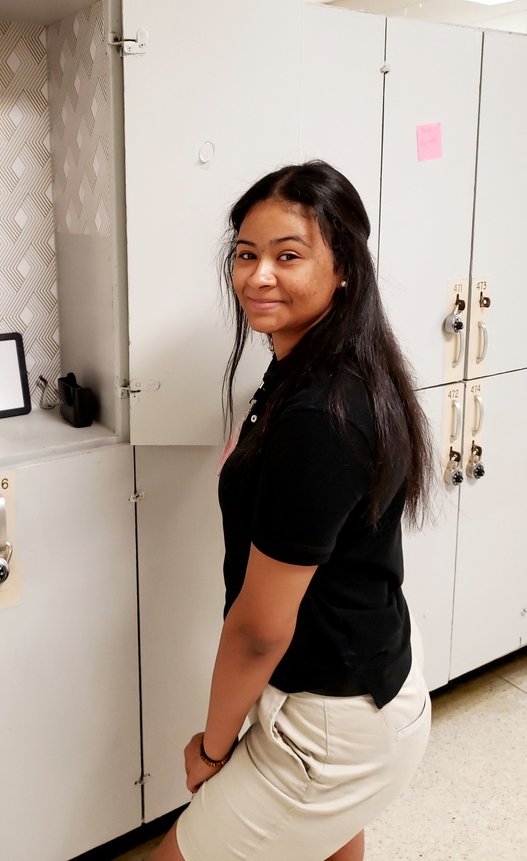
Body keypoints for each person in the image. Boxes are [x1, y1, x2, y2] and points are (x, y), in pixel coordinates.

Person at [153, 161, 434, 861]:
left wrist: (213, 747)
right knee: (333, 838)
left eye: (288, 256)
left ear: (344, 270)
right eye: (246, 254)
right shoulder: (329, 369)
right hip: (378, 687)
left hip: (332, 730)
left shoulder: (321, 412)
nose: (258, 276)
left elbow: (257, 629)